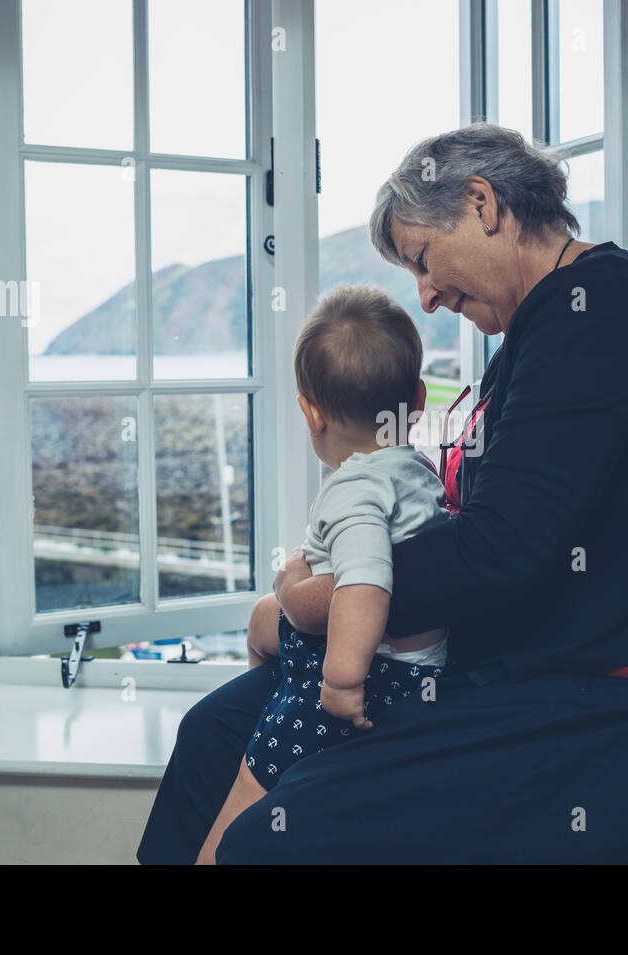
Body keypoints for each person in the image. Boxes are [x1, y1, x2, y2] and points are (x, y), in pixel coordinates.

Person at [137, 123, 628, 864]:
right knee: (214, 729)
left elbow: (501, 549)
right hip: (531, 665)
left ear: (482, 203)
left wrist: (322, 602)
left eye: (424, 259)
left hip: (627, 697)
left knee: (268, 843)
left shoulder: (597, 311)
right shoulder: (535, 337)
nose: (427, 296)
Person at [195, 285, 451, 864]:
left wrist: (338, 681)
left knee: (243, 792)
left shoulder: (356, 488)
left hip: (372, 677)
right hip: (414, 671)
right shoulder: (417, 472)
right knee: (264, 623)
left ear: (310, 413)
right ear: (416, 399)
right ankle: (273, 683)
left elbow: (364, 585)